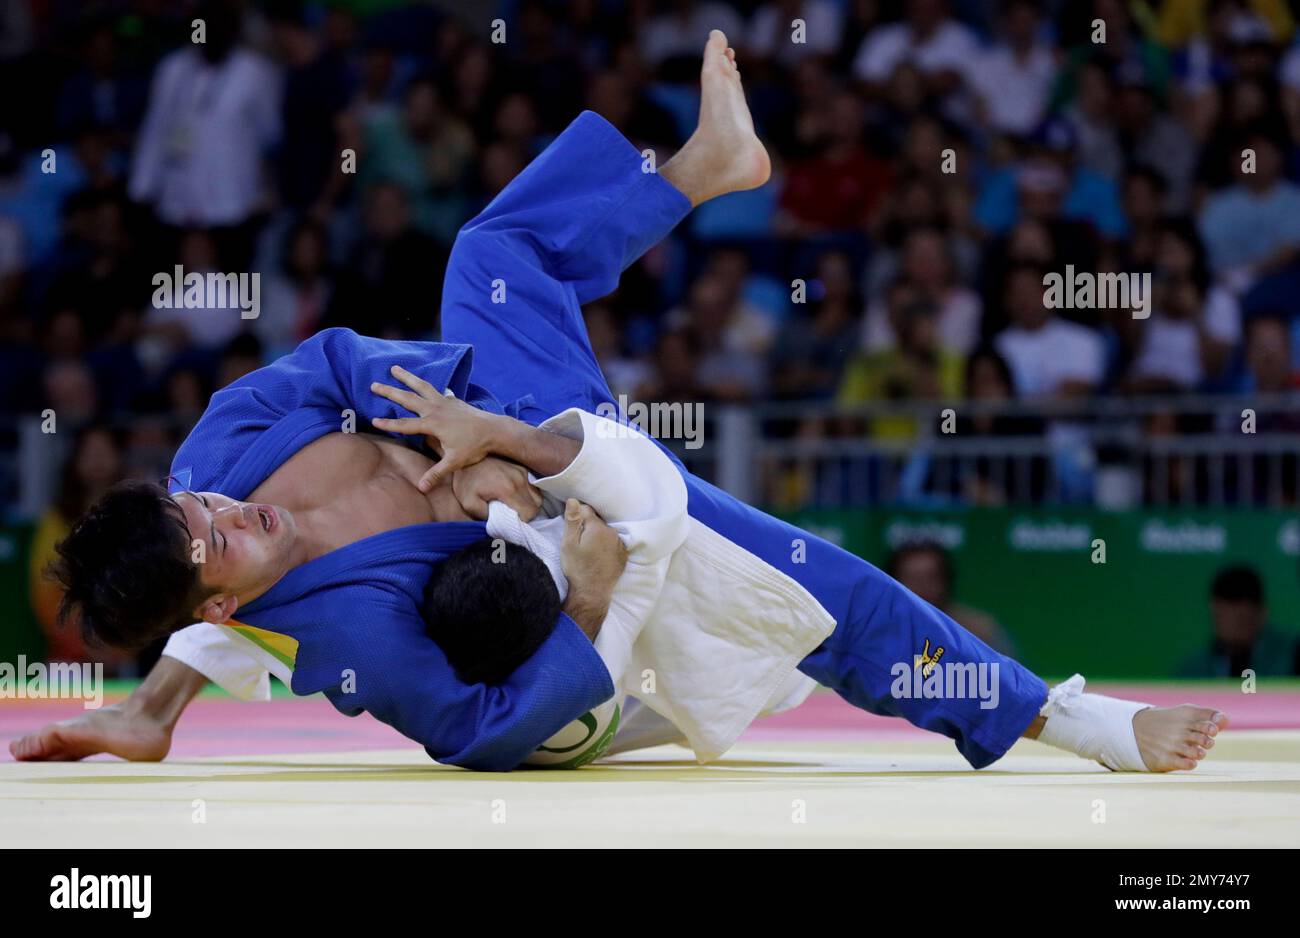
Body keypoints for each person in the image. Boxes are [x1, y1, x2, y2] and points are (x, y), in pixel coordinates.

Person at [16, 33, 1226, 776]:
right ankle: (1066, 719)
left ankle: (703, 168)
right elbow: (483, 731)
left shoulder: (216, 451)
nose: (231, 509)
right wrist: (582, 585)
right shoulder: (347, 642)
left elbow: (333, 358)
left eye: (199, 504)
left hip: (499, 409)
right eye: (218, 541)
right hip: (568, 534)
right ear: (219, 596)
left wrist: (452, 427)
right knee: (820, 592)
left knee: (490, 252)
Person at [1177, 566, 1300, 678]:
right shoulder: (1193, 670)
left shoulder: (1293, 656)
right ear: (1213, 610)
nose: (1235, 617)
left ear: (1262, 612)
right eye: (1224, 610)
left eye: (1242, 618)